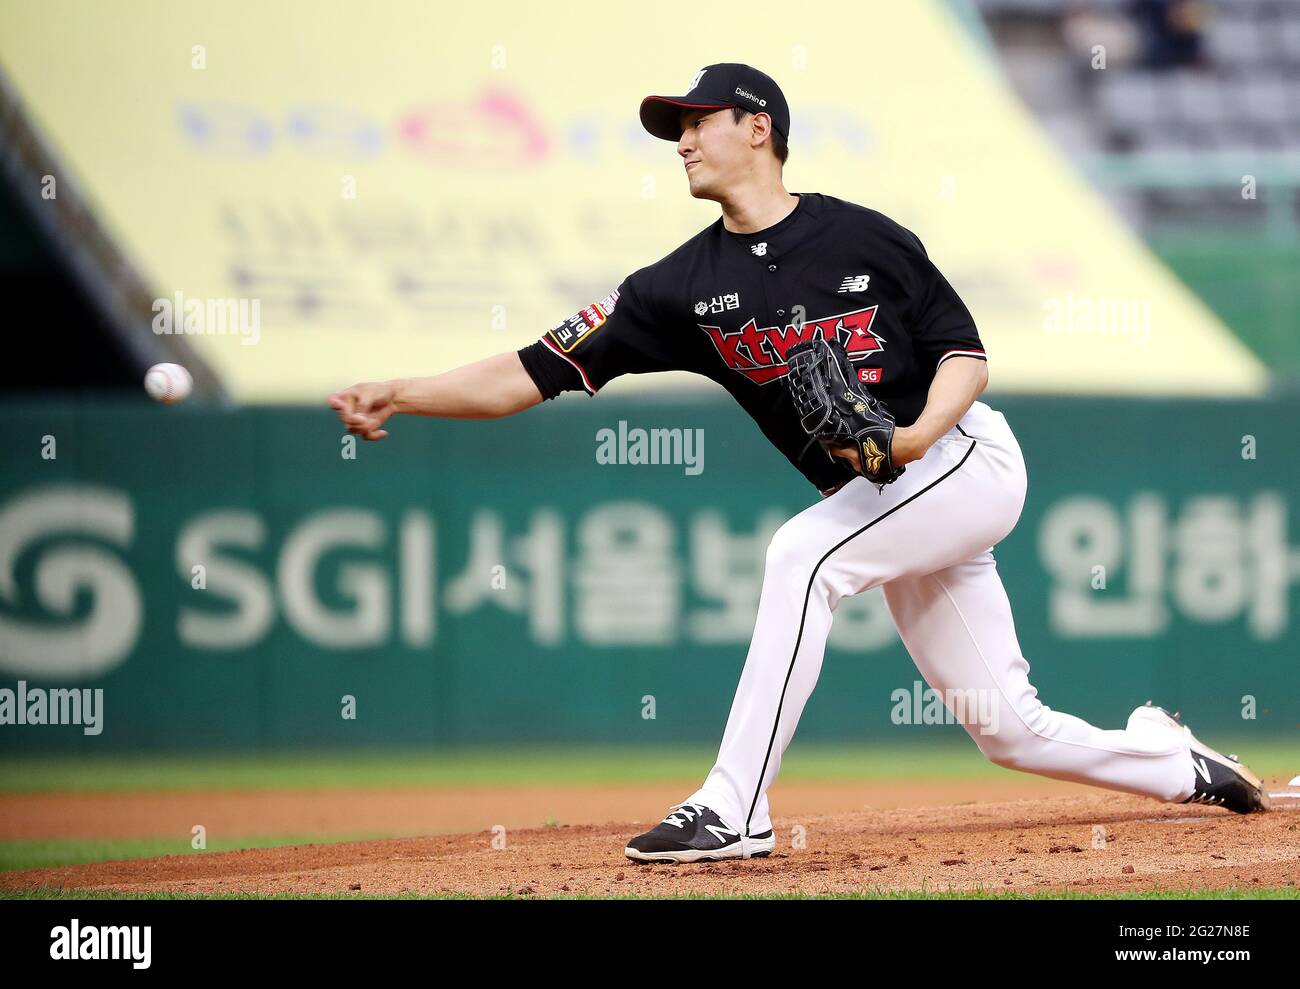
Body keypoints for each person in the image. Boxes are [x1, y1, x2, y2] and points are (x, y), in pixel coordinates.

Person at [327, 63, 1269, 866]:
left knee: (801, 556)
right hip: (881, 495)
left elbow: (964, 357)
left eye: (699, 122)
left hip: (961, 462)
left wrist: (910, 437)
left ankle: (735, 805)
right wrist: (402, 389)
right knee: (1007, 728)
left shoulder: (861, 236)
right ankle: (1180, 764)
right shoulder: (677, 289)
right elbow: (526, 371)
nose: (684, 142)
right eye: (676, 129)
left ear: (759, 128)